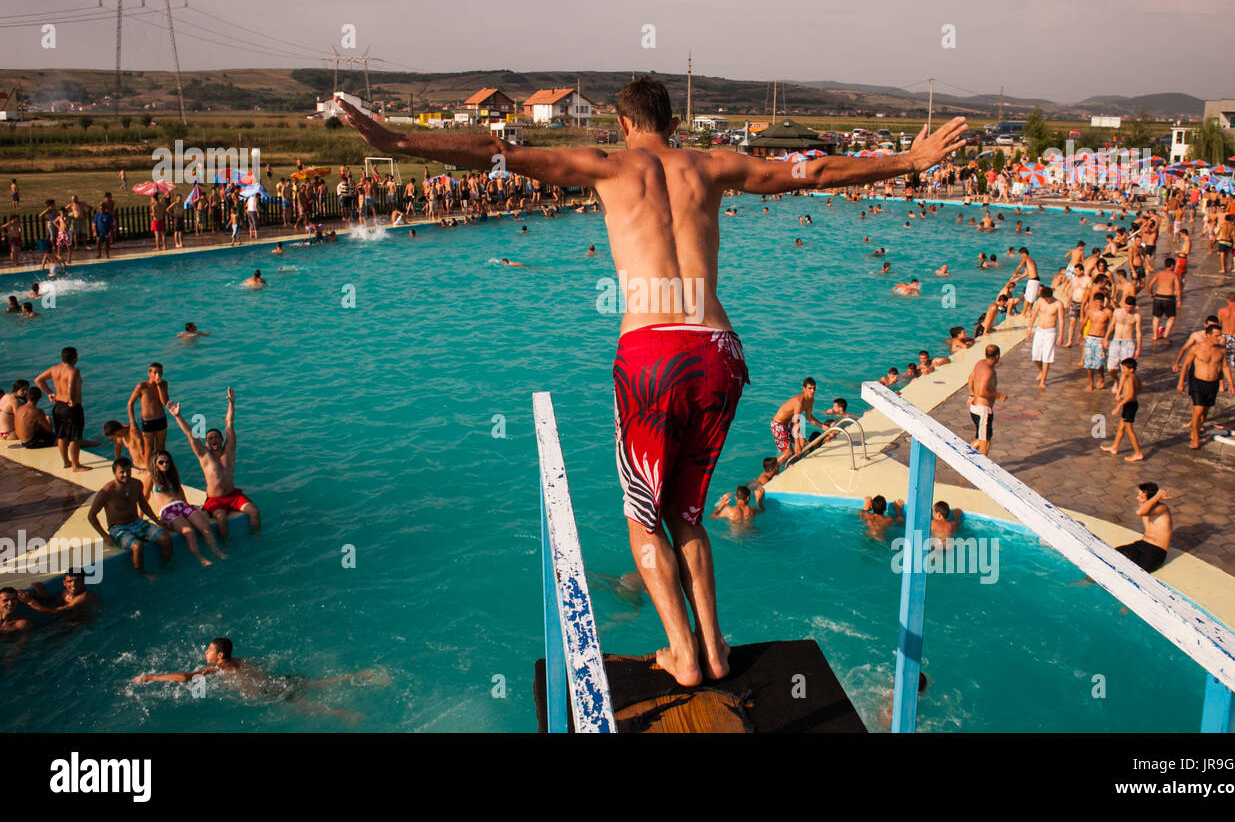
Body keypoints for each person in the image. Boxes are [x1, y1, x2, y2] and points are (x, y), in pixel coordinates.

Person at [336, 78, 967, 687]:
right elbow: (816, 173)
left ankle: (684, 656)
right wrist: (910, 159)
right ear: (674, 123)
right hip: (719, 351)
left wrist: (400, 142)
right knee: (688, 513)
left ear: (621, 123)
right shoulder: (713, 166)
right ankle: (715, 648)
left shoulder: (607, 167)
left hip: (652, 356)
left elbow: (498, 153)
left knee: (644, 520)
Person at [132, 637, 388, 718]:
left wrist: (152, 677)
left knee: (311, 708)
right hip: (279, 679)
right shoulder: (241, 660)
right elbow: (261, 667)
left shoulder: (216, 670)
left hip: (270, 693)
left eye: (209, 649)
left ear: (220, 656)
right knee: (322, 683)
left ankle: (346, 715)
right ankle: (361, 676)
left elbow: (186, 678)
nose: (205, 651)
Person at [166, 389, 261, 537]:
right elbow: (190, 436)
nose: (214, 439)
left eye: (216, 437)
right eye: (210, 438)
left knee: (254, 511)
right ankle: (226, 545)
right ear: (207, 443)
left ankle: (257, 537)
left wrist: (231, 403)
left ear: (222, 439)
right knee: (221, 518)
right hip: (215, 500)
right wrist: (178, 416)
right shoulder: (205, 455)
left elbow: (229, 423)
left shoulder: (229, 451)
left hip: (233, 496)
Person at [87, 456, 173, 574]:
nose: (126, 474)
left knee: (166, 538)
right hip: (118, 527)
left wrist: (157, 521)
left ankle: (165, 566)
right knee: (137, 546)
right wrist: (104, 536)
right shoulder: (107, 492)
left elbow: (143, 504)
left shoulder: (137, 484)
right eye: (121, 472)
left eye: (128, 470)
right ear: (114, 473)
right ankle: (141, 573)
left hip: (137, 522)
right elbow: (91, 516)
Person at [146, 451, 224, 566]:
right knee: (189, 532)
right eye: (161, 462)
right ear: (154, 463)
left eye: (167, 461)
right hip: (167, 510)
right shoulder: (150, 476)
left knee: (205, 527)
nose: (165, 464)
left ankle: (216, 551)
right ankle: (200, 558)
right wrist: (151, 518)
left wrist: (187, 504)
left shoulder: (172, 472)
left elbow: (179, 489)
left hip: (181, 505)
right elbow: (144, 498)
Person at [33, 347, 89, 471]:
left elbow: (38, 380)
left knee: (61, 435)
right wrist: (72, 401)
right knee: (75, 436)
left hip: (58, 406)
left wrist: (49, 393)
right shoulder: (73, 371)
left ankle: (66, 462)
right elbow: (71, 386)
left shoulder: (54, 369)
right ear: (75, 357)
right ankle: (76, 465)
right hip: (71, 407)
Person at [1177, 323, 1226, 449]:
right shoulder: (1196, 348)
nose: (1219, 338)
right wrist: (1181, 382)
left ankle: (1196, 428)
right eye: (1216, 336)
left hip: (1212, 383)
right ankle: (1196, 437)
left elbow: (1223, 368)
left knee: (1204, 413)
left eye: (1220, 336)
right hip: (1198, 382)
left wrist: (1227, 384)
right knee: (1198, 410)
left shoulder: (1221, 350)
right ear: (1208, 335)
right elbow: (1186, 365)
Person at [771, 378, 833, 466]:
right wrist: (797, 444)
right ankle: (771, 469)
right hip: (778, 424)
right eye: (810, 388)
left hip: (789, 422)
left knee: (804, 444)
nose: (813, 391)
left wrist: (824, 427)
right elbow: (796, 423)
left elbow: (809, 417)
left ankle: (795, 463)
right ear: (804, 389)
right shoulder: (799, 402)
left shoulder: (811, 400)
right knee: (789, 453)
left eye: (814, 388)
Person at [1114, 484, 1172, 573]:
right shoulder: (1146, 508)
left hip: (1155, 552)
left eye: (1141, 497)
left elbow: (1140, 512)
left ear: (1151, 500)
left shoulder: (1161, 508)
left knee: (1131, 570)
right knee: (1111, 555)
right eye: (1138, 495)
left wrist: (1157, 496)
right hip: (1142, 545)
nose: (1137, 498)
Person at [966, 344, 1005, 454]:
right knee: (985, 443)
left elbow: (970, 378)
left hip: (975, 408)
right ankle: (979, 470)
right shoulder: (988, 372)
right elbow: (982, 392)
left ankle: (964, 456)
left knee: (981, 439)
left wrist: (971, 395)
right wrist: (998, 395)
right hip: (983, 411)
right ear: (997, 356)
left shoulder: (980, 363)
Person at [1103, 357, 1143, 461]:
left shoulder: (1129, 379)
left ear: (1131, 369)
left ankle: (1138, 453)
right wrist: (1124, 395)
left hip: (1129, 405)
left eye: (1124, 369)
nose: (1123, 371)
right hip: (1132, 404)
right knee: (1121, 427)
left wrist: (1119, 405)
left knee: (1129, 430)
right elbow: (1140, 389)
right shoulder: (1135, 377)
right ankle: (1114, 447)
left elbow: (1130, 395)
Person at [126, 362, 170, 455]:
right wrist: (132, 422)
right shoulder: (142, 386)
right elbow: (130, 404)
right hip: (148, 421)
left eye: (160, 373)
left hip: (161, 419)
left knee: (161, 448)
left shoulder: (164, 384)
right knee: (149, 449)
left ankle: (160, 468)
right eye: (155, 372)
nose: (157, 375)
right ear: (149, 373)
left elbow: (164, 401)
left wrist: (159, 385)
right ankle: (149, 469)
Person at [1025, 286, 1064, 388]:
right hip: (1039, 330)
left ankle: (1043, 381)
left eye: (1047, 299)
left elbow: (1062, 320)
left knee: (1046, 356)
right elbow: (1034, 314)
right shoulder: (1040, 301)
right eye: (1044, 299)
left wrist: (1060, 336)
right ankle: (1042, 371)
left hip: (1050, 332)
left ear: (1051, 296)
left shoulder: (1058, 304)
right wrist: (1029, 328)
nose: (1046, 301)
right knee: (1035, 356)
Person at [1081, 293, 1114, 391]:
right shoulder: (1090, 311)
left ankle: (1101, 378)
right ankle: (1091, 383)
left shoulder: (1108, 312)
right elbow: (1084, 322)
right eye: (1098, 302)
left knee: (1100, 362)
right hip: (1090, 337)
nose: (1100, 304)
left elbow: (1112, 326)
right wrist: (1079, 334)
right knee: (1088, 363)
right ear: (1095, 302)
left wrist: (1107, 338)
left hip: (1101, 338)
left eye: (1101, 302)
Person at [1147, 257, 1182, 343]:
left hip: (1158, 297)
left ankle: (1155, 336)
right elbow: (1178, 289)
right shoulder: (1174, 275)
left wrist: (1151, 293)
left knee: (1156, 317)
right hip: (1169, 298)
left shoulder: (1159, 273)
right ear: (1172, 265)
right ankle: (1166, 334)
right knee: (1171, 317)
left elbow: (1150, 284)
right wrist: (1179, 300)